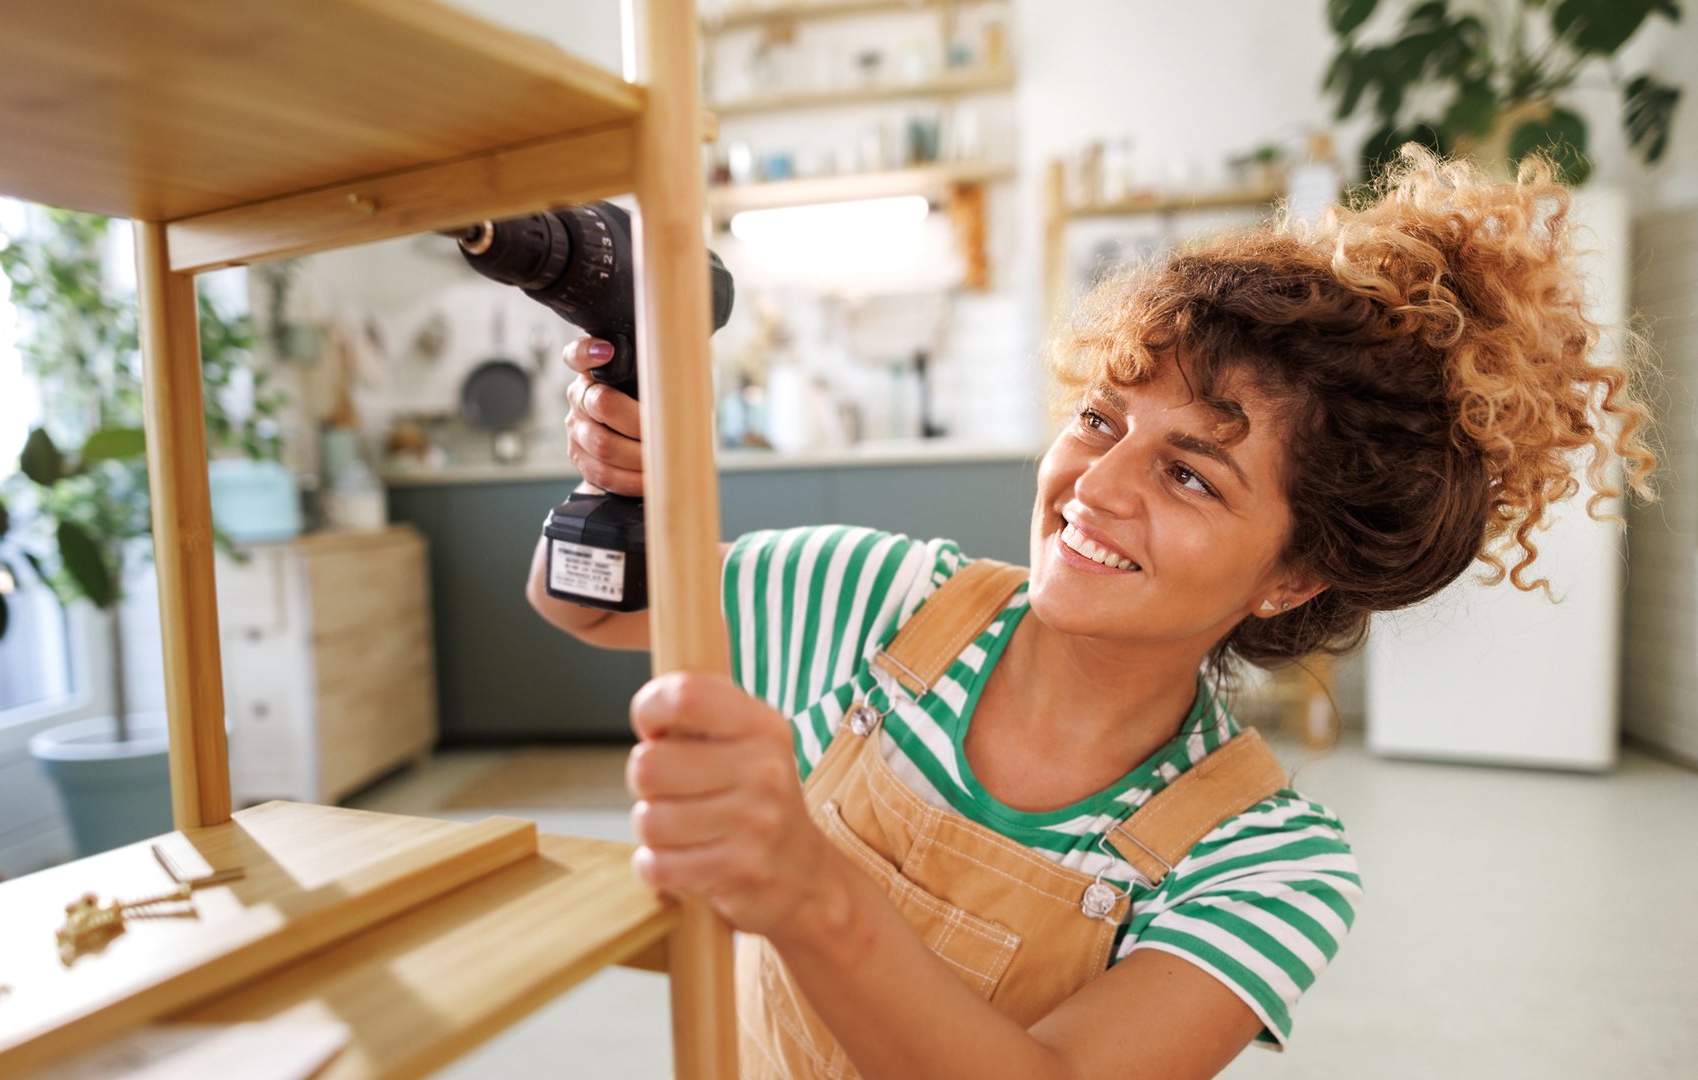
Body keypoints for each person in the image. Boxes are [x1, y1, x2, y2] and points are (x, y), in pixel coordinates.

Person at [526, 147, 1656, 1079]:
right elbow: (585, 609)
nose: (1097, 488)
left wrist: (808, 889)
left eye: (1191, 475)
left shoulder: (1263, 862)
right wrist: (615, 494)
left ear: (1295, 574)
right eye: (1103, 420)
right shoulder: (876, 603)